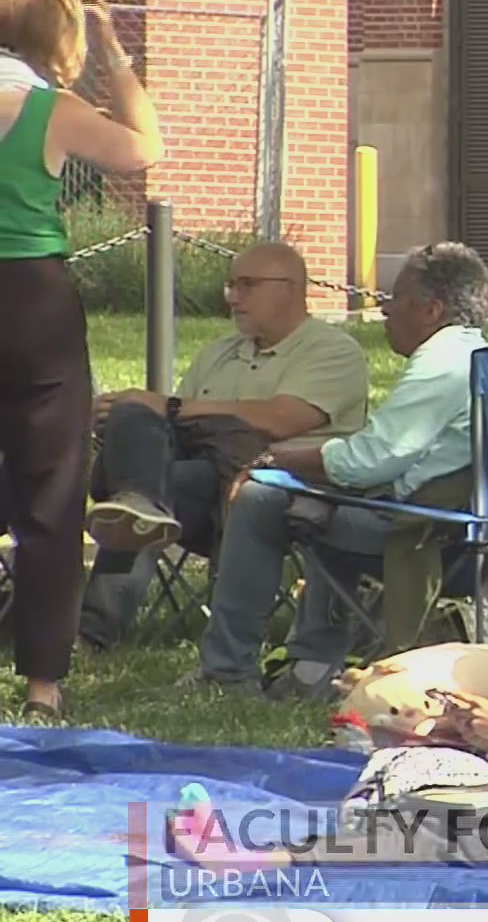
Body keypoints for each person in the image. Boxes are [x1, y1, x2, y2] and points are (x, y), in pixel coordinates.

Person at [167, 510, 488, 869]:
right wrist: (468, 733)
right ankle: (266, 849)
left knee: (456, 831)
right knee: (427, 800)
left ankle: (253, 860)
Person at [193, 242, 488, 695]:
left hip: (429, 536)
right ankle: (311, 665)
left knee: (262, 498)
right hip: (487, 535)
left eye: (396, 299)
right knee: (316, 504)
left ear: (432, 310)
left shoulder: (444, 362)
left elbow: (370, 462)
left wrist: (275, 459)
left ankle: (226, 672)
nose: (386, 311)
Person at [0, 0, 163, 720]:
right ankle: (41, 682)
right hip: (32, 300)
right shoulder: (51, 110)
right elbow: (143, 150)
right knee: (52, 491)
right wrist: (112, 49)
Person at [79, 241, 370, 652]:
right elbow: (175, 425)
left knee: (154, 493)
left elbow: (280, 420)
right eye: (230, 285)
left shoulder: (333, 350)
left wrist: (165, 405)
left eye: (247, 285)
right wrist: (123, 413)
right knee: (135, 452)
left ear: (290, 288)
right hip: (200, 477)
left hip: (276, 485)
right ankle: (133, 506)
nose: (233, 297)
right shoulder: (219, 351)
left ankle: (90, 634)